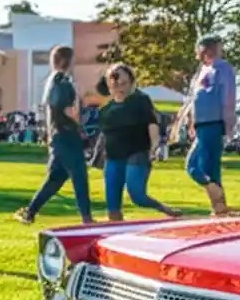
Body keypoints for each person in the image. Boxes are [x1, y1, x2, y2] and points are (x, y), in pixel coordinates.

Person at [14, 46, 94, 225]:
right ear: (67, 61)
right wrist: (78, 121)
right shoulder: (62, 82)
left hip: (58, 137)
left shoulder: (54, 81)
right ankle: (87, 218)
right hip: (67, 136)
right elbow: (65, 108)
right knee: (79, 176)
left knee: (56, 179)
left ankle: (30, 212)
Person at [97, 64, 180, 221]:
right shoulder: (105, 110)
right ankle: (116, 233)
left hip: (137, 153)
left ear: (131, 82)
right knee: (113, 207)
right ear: (109, 85)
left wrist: (154, 145)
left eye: (124, 83)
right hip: (113, 158)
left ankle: (163, 209)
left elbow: (152, 123)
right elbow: (103, 135)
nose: (120, 87)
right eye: (115, 84)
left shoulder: (140, 100)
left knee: (137, 196)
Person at [174, 34, 240, 216]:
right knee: (210, 168)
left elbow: (228, 97)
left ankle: (217, 198)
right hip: (201, 124)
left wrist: (228, 123)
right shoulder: (200, 72)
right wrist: (190, 122)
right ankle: (219, 208)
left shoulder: (222, 68)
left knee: (194, 166)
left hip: (214, 123)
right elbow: (193, 100)